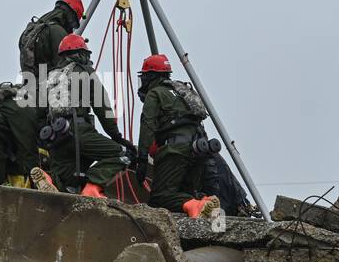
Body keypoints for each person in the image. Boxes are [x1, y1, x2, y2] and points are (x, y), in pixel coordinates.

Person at [29, 34, 133, 197]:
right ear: (80, 54)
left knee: (68, 185)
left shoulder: (48, 78)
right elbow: (102, 106)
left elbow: (38, 114)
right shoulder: (84, 72)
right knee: (122, 154)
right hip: (79, 131)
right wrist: (117, 136)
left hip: (55, 136)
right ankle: (93, 186)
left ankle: (50, 180)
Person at [134, 54, 220, 218]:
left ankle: (197, 204)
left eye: (144, 77)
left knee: (160, 198)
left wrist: (142, 159)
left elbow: (147, 127)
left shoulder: (155, 93)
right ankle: (204, 202)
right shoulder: (181, 91)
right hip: (200, 148)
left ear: (151, 76)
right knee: (184, 192)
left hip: (175, 150)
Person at [17, 0, 84, 76]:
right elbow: (65, 66)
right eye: (73, 23)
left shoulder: (30, 30)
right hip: (50, 83)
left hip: (31, 83)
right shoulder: (57, 31)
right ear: (70, 16)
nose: (71, 27)